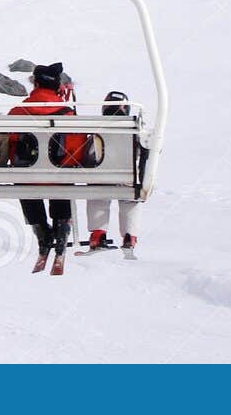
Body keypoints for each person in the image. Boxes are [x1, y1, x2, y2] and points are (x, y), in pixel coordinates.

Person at [9, 62, 85, 272]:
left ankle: (42, 232)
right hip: (58, 177)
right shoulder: (67, 114)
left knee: (24, 184)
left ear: (36, 83)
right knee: (62, 183)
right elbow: (75, 148)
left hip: (27, 177)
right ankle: (61, 235)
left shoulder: (18, 112)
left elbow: (10, 142)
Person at [86, 90, 147, 254]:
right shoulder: (135, 127)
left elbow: (88, 153)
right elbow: (146, 149)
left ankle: (98, 234)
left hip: (100, 177)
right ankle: (130, 236)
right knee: (130, 201)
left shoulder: (96, 127)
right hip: (127, 178)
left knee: (97, 197)